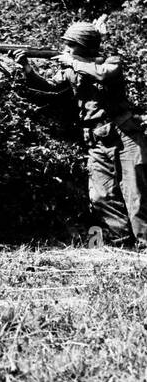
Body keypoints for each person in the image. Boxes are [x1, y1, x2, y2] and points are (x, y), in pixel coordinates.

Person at [12, 21, 147, 250]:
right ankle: (121, 245)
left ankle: (145, 246)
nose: (66, 49)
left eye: (70, 45)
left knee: (136, 196)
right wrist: (26, 68)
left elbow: (102, 75)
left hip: (125, 136)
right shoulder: (70, 69)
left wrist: (73, 62)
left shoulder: (110, 62)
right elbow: (50, 89)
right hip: (95, 139)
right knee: (101, 196)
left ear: (84, 46)